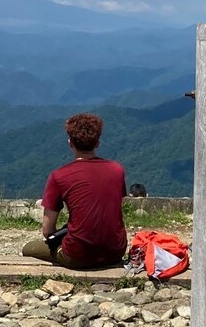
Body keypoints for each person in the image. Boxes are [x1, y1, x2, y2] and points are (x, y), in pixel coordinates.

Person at [22, 113, 127, 269]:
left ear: (70, 143)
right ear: (97, 143)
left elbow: (47, 230)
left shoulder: (59, 176)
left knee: (28, 248)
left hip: (78, 256)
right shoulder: (117, 171)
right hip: (115, 251)